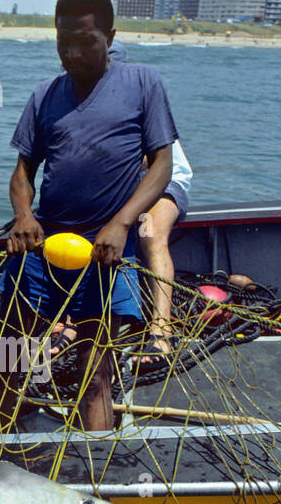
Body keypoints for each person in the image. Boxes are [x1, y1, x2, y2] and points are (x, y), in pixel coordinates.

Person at [0, 0, 178, 432]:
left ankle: (95, 479)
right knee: (6, 359)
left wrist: (121, 223)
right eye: (63, 43)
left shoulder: (143, 83)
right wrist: (24, 216)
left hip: (104, 252)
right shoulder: (44, 95)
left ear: (110, 36)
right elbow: (22, 174)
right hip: (45, 248)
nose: (72, 53)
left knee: (94, 375)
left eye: (85, 41)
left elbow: (162, 165)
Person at [48, 40, 194, 368]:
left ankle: (161, 331)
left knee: (150, 233)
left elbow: (148, 161)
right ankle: (70, 318)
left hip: (163, 179)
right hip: (117, 186)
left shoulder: (138, 98)